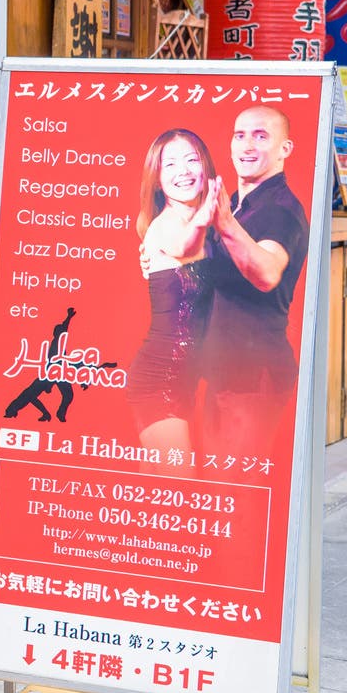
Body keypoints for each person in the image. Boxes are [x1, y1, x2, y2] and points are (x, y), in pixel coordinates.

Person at [197, 105, 310, 447]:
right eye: (240, 136)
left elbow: (267, 272)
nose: (247, 146)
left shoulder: (280, 209)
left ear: (284, 149)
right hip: (222, 371)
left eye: (261, 137)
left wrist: (226, 225)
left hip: (252, 376)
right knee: (213, 475)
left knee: (236, 475)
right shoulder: (236, 203)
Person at [126, 129, 220, 453]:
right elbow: (183, 246)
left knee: (161, 480)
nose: (184, 171)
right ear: (156, 178)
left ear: (205, 167)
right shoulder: (166, 226)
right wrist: (208, 217)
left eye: (192, 160)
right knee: (177, 475)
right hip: (159, 381)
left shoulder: (210, 229)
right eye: (170, 164)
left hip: (186, 381)